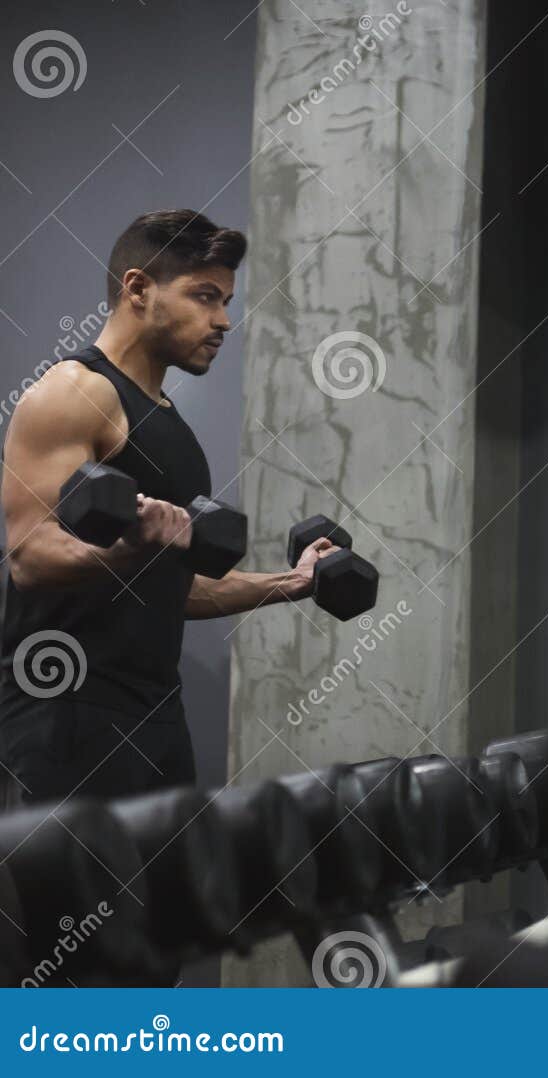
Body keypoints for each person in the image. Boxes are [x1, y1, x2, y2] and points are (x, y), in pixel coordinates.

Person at [0, 209, 337, 807]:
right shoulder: (74, 392)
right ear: (137, 288)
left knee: (164, 900)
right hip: (67, 711)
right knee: (70, 902)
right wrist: (131, 547)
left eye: (227, 300)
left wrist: (293, 582)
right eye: (204, 296)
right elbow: (30, 556)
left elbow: (172, 590)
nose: (224, 320)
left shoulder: (165, 419)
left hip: (155, 714)